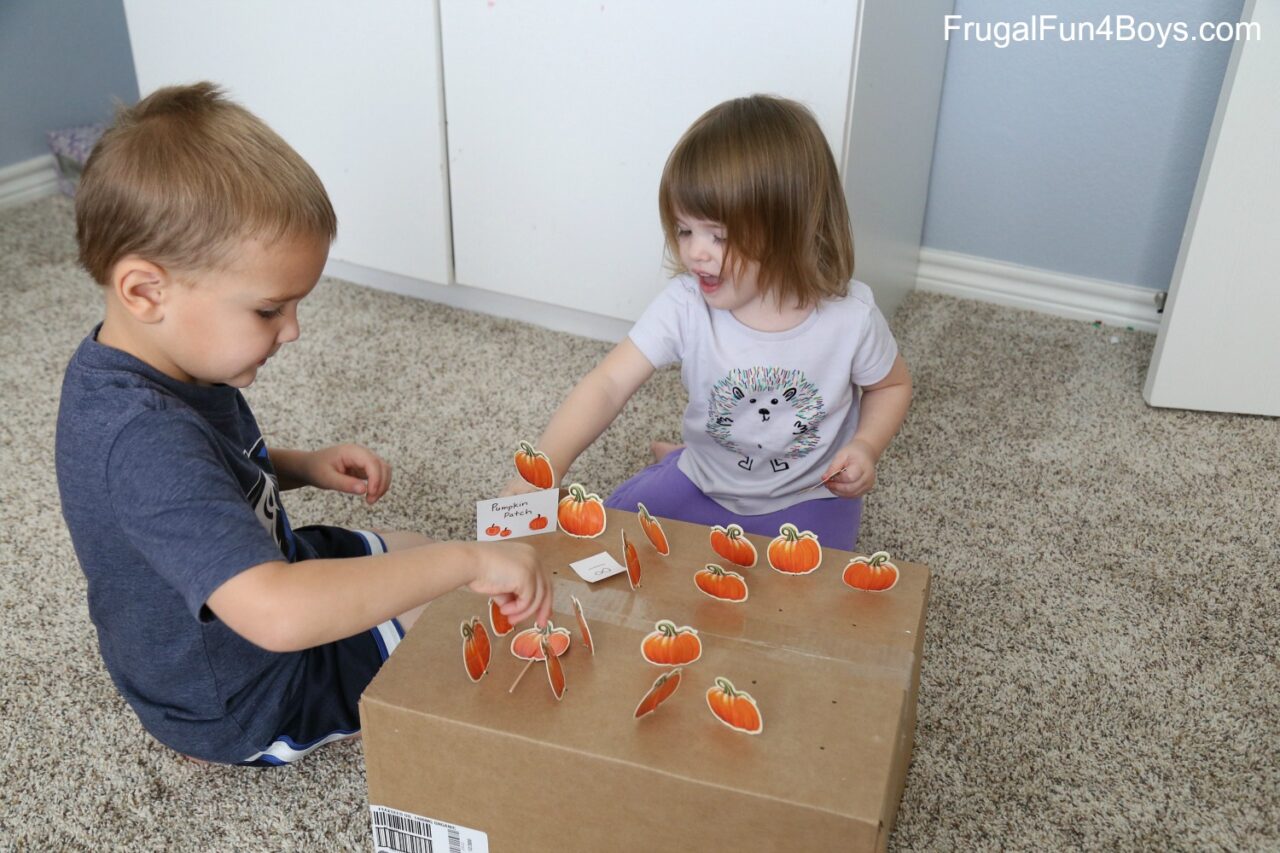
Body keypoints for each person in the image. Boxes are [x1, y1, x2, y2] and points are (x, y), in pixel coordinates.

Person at [55, 83, 551, 767]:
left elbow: (207, 473)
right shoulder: (141, 440)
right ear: (145, 292)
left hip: (261, 571)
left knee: (418, 552)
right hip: (248, 693)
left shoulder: (152, 366)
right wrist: (466, 560)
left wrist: (301, 465)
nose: (292, 331)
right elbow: (279, 616)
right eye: (268, 309)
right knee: (456, 603)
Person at [506, 95, 911, 551]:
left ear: (790, 228)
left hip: (809, 495)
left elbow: (890, 386)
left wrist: (866, 446)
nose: (695, 252)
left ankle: (675, 457)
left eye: (717, 236)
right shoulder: (685, 304)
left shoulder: (851, 317)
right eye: (684, 230)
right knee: (613, 543)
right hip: (703, 479)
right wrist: (543, 471)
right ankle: (677, 460)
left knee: (811, 595)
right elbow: (607, 384)